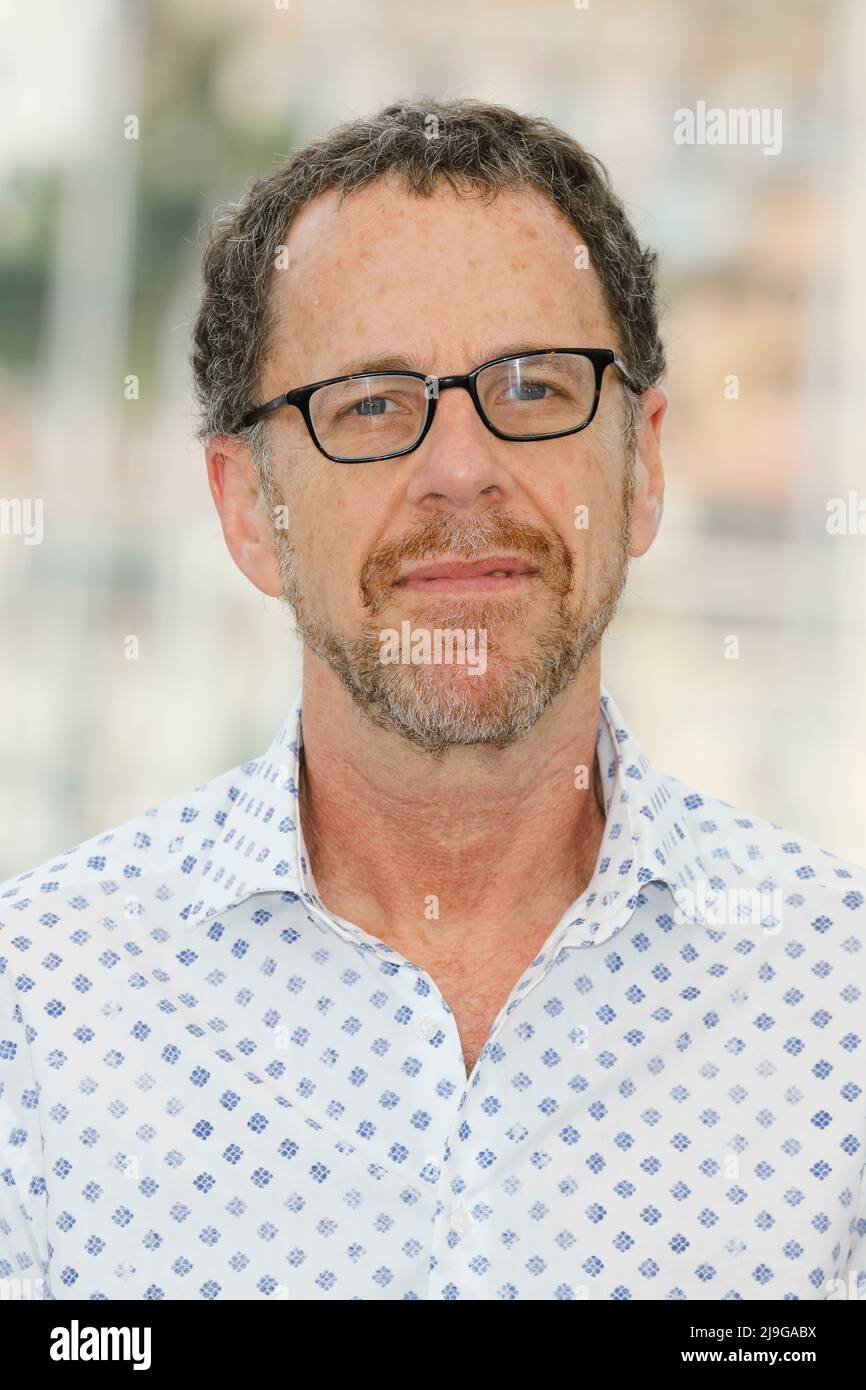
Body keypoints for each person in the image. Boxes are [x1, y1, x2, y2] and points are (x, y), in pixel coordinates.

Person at [2, 97, 864, 1303]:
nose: (460, 467)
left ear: (643, 465)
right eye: (368, 403)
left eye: (531, 386)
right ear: (248, 507)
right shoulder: (33, 1013)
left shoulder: (840, 1004)